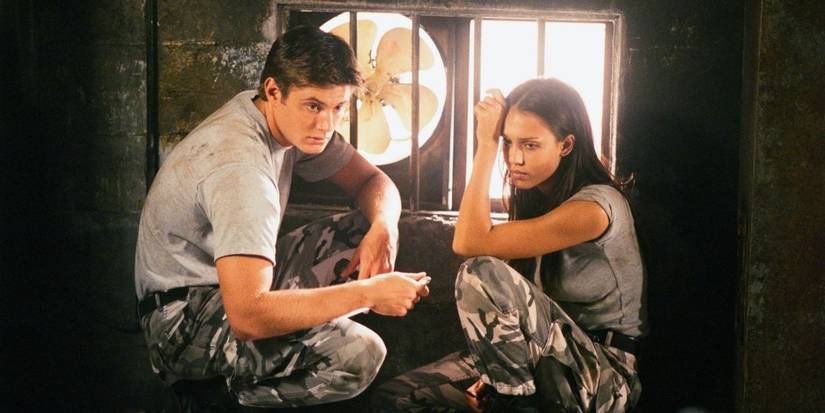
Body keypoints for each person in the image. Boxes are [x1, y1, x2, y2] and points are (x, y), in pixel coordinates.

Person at [135, 26, 430, 409]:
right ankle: (219, 400)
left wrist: (384, 228)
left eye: (338, 107)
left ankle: (256, 369)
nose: (326, 124)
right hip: (181, 322)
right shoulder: (242, 169)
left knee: (364, 228)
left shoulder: (274, 116)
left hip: (232, 286)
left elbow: (372, 181)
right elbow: (247, 316)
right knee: (358, 354)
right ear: (274, 91)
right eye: (314, 106)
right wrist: (369, 293)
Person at [372, 78, 646, 412]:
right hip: (542, 361)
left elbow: (469, 242)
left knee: (480, 272)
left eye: (530, 145)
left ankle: (510, 404)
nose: (514, 158)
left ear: (566, 145)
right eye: (507, 142)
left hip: (604, 378)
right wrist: (493, 373)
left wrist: (486, 144)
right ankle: (508, 396)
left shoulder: (595, 207)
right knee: (397, 398)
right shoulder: (538, 203)